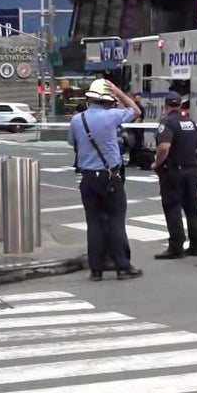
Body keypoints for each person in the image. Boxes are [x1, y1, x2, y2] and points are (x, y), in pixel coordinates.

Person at [67, 79, 143, 281]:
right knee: (115, 221)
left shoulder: (77, 120)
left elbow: (71, 142)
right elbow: (136, 111)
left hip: (88, 178)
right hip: (110, 177)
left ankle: (96, 270)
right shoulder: (112, 116)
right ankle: (122, 267)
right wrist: (120, 92)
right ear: (108, 100)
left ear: (90, 98)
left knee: (94, 223)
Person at [152, 92, 197, 259]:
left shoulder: (167, 123)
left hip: (174, 171)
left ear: (166, 105)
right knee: (192, 209)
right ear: (180, 104)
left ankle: (176, 246)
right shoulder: (189, 122)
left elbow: (164, 147)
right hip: (191, 170)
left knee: (172, 207)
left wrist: (157, 163)